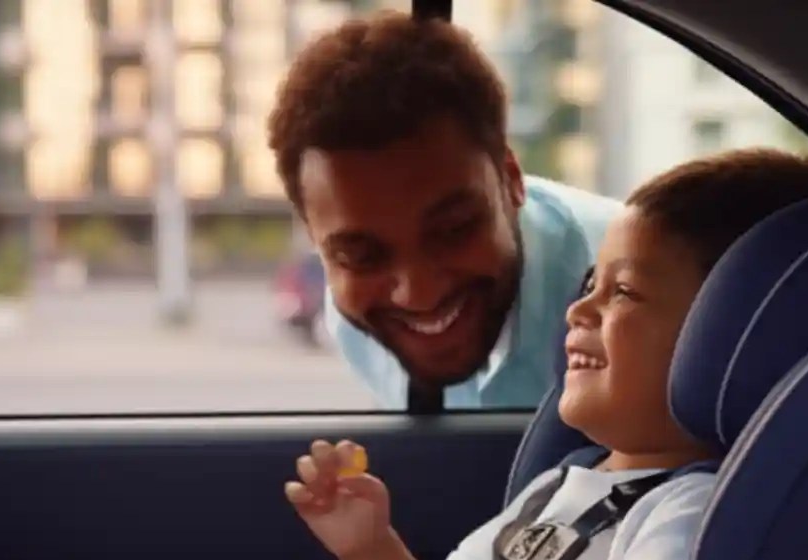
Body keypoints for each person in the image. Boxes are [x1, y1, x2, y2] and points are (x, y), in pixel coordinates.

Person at [33, 148, 808, 560]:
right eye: (590, 281)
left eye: (625, 293)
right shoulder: (565, 483)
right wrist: (371, 550)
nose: (581, 307)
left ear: (736, 340)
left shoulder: (694, 516)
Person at [267, 12, 622, 411]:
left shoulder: (642, 292)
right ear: (316, 241)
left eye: (454, 230)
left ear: (512, 180)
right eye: (361, 256)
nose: (419, 294)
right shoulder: (357, 327)